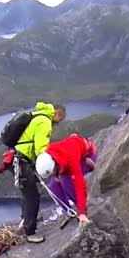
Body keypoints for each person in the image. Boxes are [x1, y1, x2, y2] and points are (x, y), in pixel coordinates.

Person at [11, 102, 65, 243]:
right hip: (23, 161)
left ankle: (25, 221)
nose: (58, 123)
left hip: (19, 159)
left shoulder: (37, 116)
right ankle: (30, 233)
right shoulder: (45, 121)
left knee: (28, 194)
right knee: (32, 197)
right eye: (61, 119)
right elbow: (40, 148)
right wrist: (51, 161)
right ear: (57, 113)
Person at [35, 134, 97, 227]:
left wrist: (82, 212)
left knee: (66, 181)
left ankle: (82, 212)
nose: (53, 174)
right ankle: (68, 212)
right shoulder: (49, 156)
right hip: (68, 159)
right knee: (54, 186)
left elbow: (80, 186)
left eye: (53, 172)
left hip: (88, 156)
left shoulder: (71, 159)